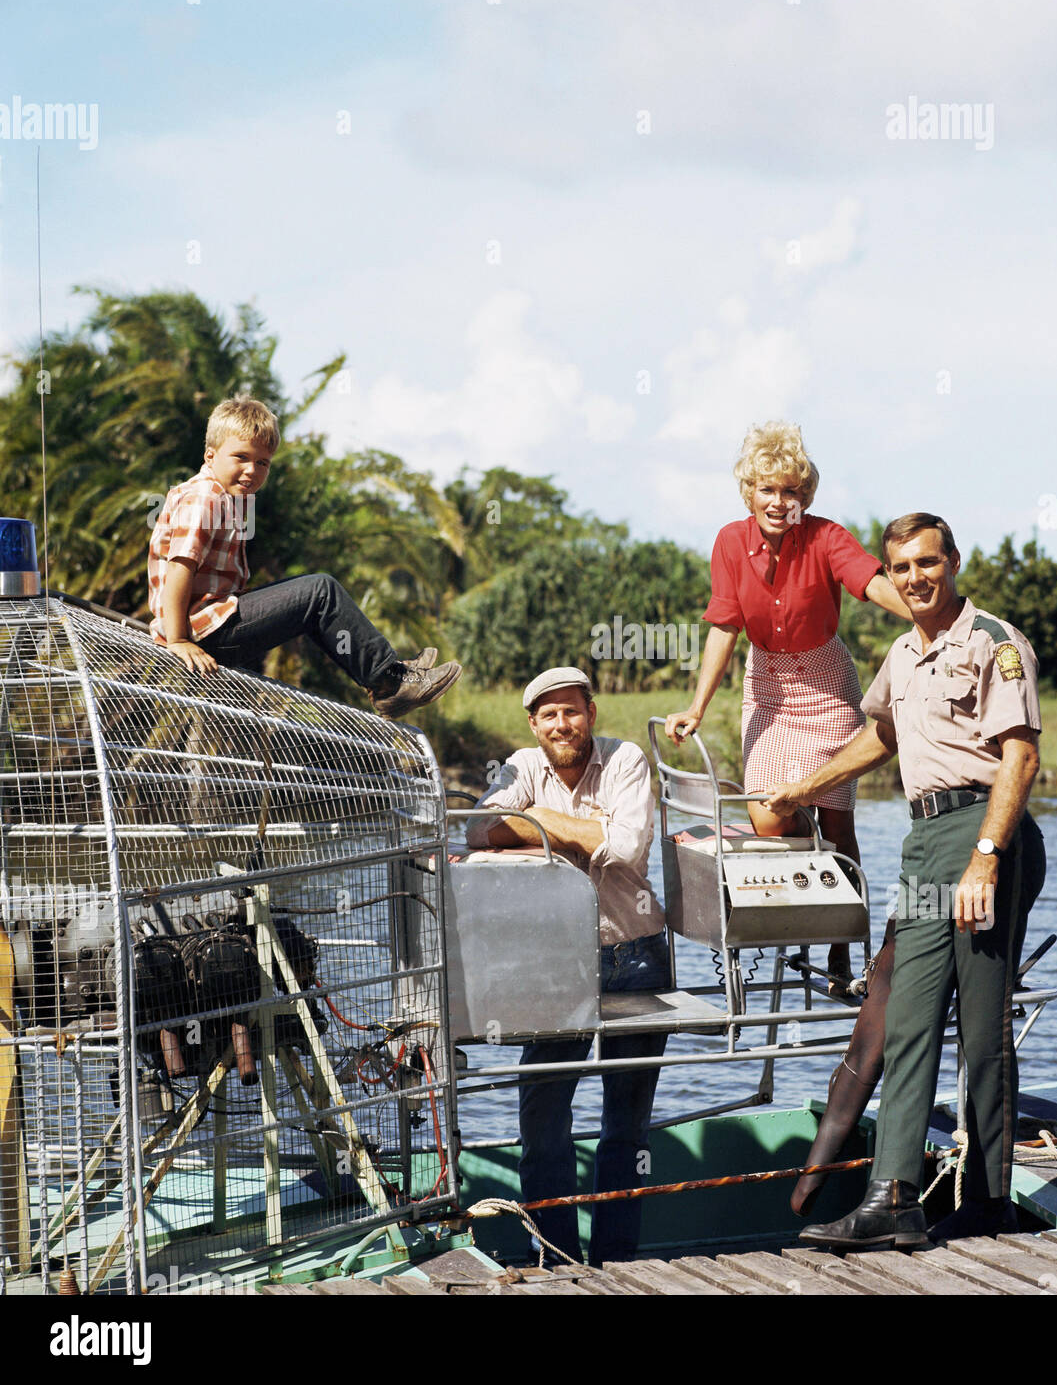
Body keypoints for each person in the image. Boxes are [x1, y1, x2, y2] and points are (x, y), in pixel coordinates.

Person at [765, 513, 1046, 1250]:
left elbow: (1019, 757)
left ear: (953, 562)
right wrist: (805, 786)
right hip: (923, 841)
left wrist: (987, 855)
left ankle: (989, 1201)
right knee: (911, 1016)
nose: (915, 578)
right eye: (901, 568)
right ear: (888, 576)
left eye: (928, 563)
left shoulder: (992, 640)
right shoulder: (903, 651)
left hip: (981, 829)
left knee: (982, 1028)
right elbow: (881, 735)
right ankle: (893, 1197)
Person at [665, 421, 911, 1000]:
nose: (781, 503)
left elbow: (872, 583)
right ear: (749, 492)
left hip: (826, 680)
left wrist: (929, 613)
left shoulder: (826, 537)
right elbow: (725, 626)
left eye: (792, 492)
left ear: (807, 498)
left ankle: (844, 949)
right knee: (771, 813)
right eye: (769, 490)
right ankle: (817, 865)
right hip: (769, 685)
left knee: (841, 817)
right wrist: (698, 707)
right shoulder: (730, 542)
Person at [466, 667, 669, 1266]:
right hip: (553, 966)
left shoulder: (626, 759)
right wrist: (562, 826)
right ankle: (556, 1257)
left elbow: (627, 846)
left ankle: (617, 1259)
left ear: (592, 713)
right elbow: (479, 828)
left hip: (635, 956)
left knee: (627, 1126)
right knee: (544, 1115)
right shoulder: (522, 766)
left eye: (572, 711)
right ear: (533, 725)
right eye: (548, 715)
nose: (562, 724)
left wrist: (534, 826)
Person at [147, 395, 461, 719]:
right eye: (240, 457)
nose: (251, 471)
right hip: (203, 630)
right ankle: (388, 683)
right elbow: (179, 568)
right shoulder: (205, 497)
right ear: (210, 456)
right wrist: (179, 639)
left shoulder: (225, 498)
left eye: (262, 463)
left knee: (313, 596)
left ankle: (389, 673)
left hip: (216, 622)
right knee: (320, 593)